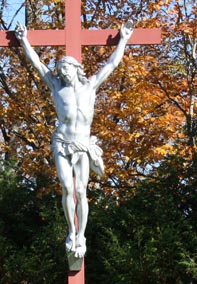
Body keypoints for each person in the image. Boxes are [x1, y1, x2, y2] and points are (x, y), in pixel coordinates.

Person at [14, 20, 134, 259]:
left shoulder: (90, 87)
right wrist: (24, 40)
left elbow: (111, 64)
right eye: (59, 70)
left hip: (82, 144)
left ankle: (82, 235)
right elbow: (37, 64)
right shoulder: (56, 87)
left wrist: (123, 39)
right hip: (62, 142)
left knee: (81, 190)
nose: (61, 72)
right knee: (67, 188)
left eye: (65, 68)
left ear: (75, 68)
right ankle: (71, 231)